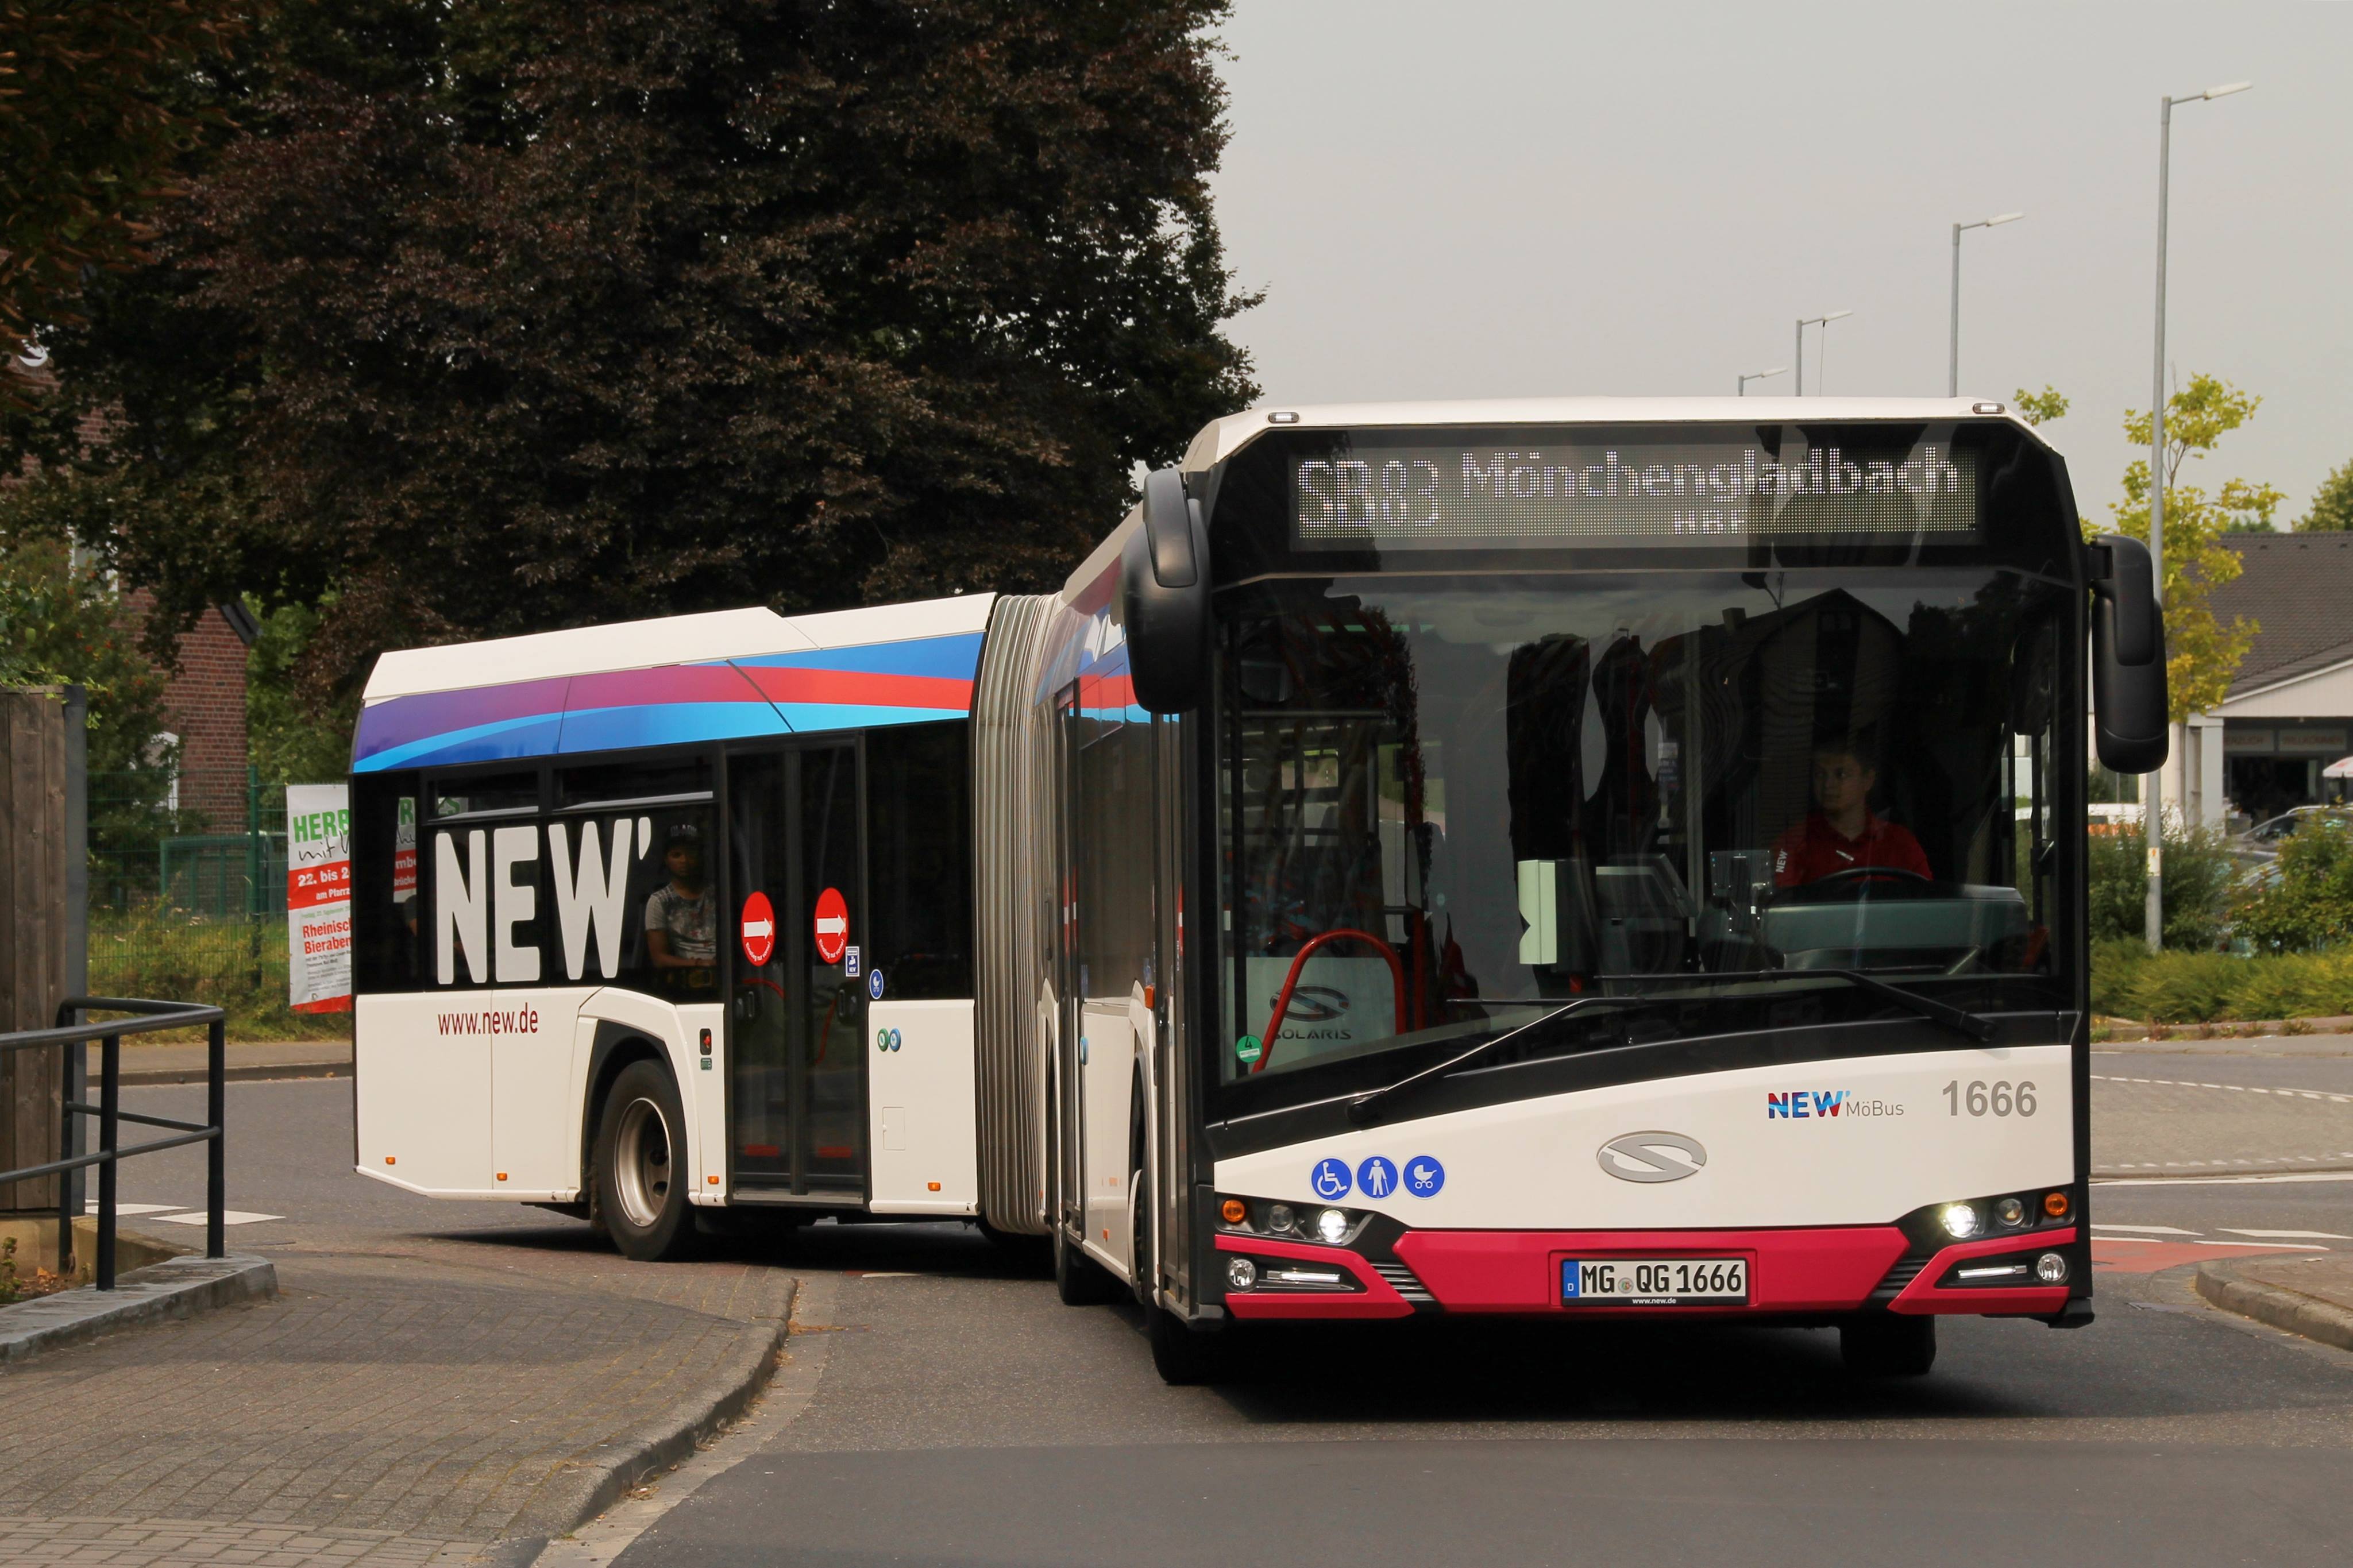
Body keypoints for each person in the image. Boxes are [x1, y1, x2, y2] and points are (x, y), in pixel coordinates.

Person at [1773, 737, 1930, 889]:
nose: (1828, 784)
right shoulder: (1794, 843)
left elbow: (1925, 899)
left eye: (1841, 774)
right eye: (1820, 774)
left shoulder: (1900, 842)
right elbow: (1781, 900)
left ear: (1868, 780)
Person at [645, 824, 718, 988]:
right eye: (677, 855)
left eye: (691, 853)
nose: (684, 861)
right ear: (666, 859)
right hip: (685, 981)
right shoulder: (659, 901)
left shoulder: (719, 893)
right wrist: (698, 964)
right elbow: (659, 958)